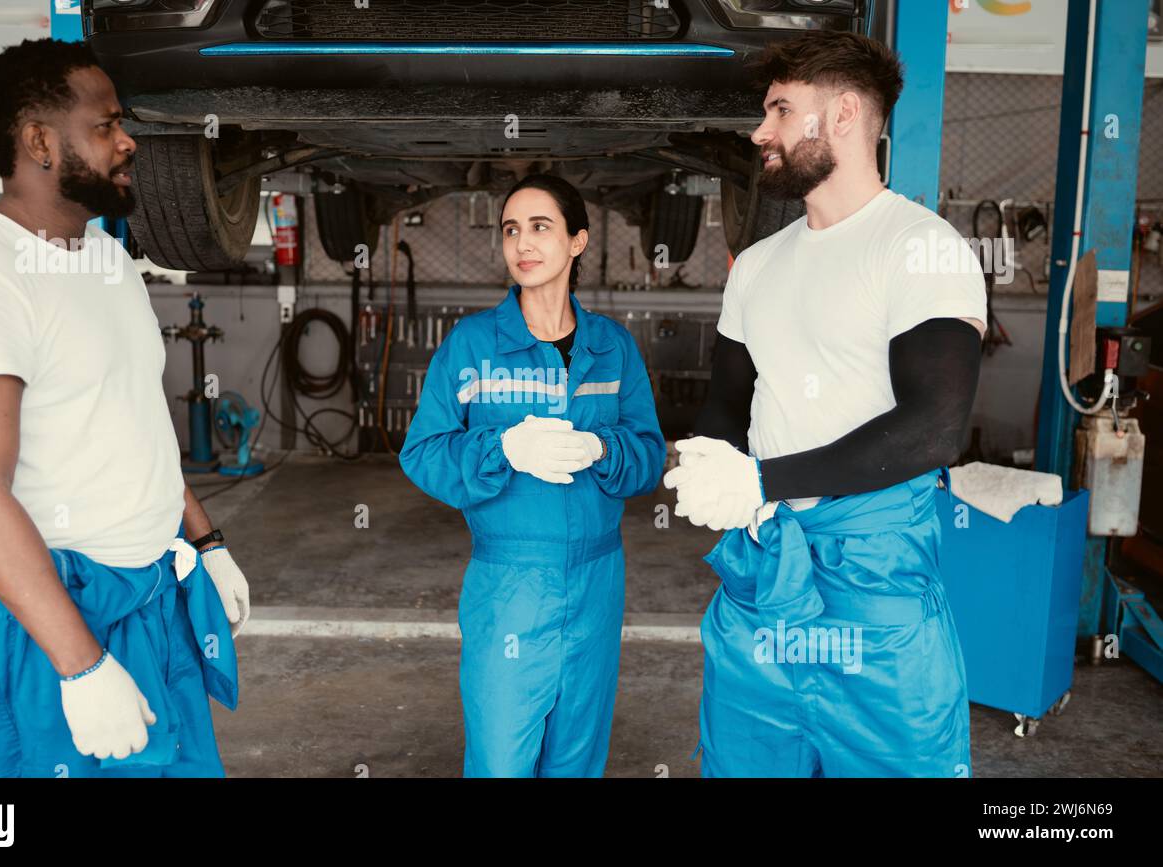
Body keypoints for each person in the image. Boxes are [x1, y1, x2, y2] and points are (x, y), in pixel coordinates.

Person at [0, 39, 250, 777]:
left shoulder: (105, 259)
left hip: (154, 596)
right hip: (52, 618)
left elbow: (133, 420)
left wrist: (206, 543)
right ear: (38, 141)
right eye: (106, 125)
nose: (128, 143)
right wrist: (82, 664)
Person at [664, 31, 986, 777]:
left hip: (875, 595)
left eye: (780, 109)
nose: (760, 131)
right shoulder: (758, 268)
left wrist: (761, 481)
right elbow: (728, 403)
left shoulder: (921, 248)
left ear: (842, 114)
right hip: (767, 585)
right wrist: (710, 460)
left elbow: (934, 428)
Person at [400, 174, 666, 777]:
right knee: (501, 758)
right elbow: (422, 452)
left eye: (540, 227)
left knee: (577, 757)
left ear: (577, 241)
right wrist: (503, 449)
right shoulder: (472, 346)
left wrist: (603, 447)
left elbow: (649, 457)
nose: (523, 242)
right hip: (509, 588)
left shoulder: (613, 348)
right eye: (511, 229)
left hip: (598, 582)